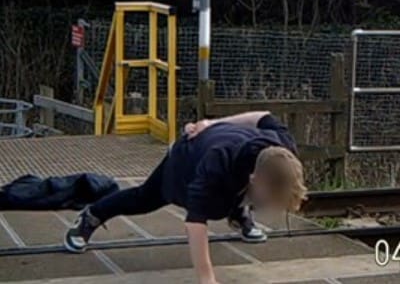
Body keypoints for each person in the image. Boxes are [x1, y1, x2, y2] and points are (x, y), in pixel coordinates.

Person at [63, 111, 307, 284]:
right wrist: (207, 278)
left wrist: (212, 122)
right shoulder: (217, 164)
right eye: (273, 199)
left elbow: (261, 116)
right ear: (254, 178)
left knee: (231, 197)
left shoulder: (283, 149)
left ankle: (239, 210)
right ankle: (92, 216)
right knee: (144, 198)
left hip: (226, 147)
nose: (275, 208)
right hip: (185, 158)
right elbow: (195, 224)